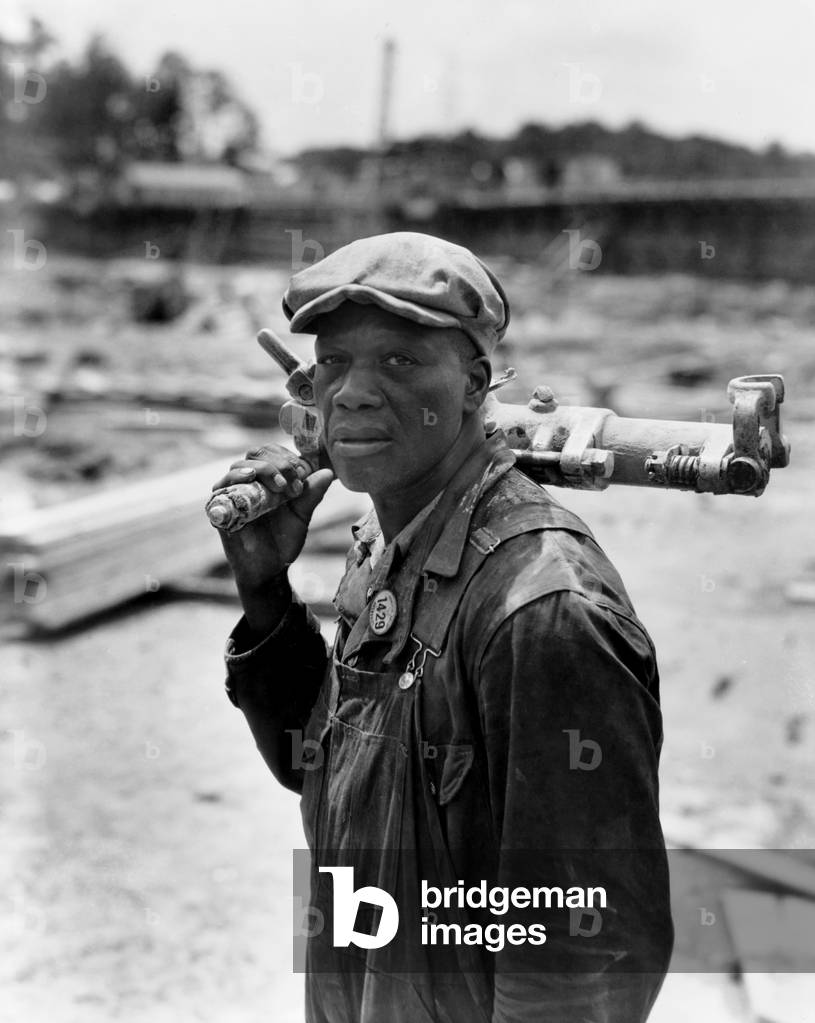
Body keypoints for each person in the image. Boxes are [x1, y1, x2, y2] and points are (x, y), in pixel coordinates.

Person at [213, 232, 673, 1022]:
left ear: (471, 384)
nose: (351, 392)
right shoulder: (391, 548)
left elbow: (583, 954)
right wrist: (265, 594)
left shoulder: (541, 610)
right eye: (332, 362)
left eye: (398, 362)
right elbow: (327, 772)